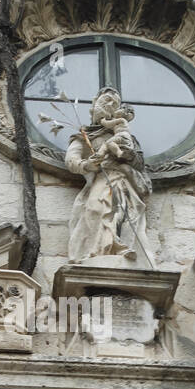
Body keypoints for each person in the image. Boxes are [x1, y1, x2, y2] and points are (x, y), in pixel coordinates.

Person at [64, 87, 155, 265]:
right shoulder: (84, 136)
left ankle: (119, 246)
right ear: (94, 105)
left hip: (122, 180)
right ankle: (95, 251)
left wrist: (127, 154)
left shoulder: (124, 134)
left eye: (114, 103)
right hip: (101, 179)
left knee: (122, 213)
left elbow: (139, 163)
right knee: (95, 209)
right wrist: (88, 165)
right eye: (106, 100)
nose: (110, 105)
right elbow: (71, 160)